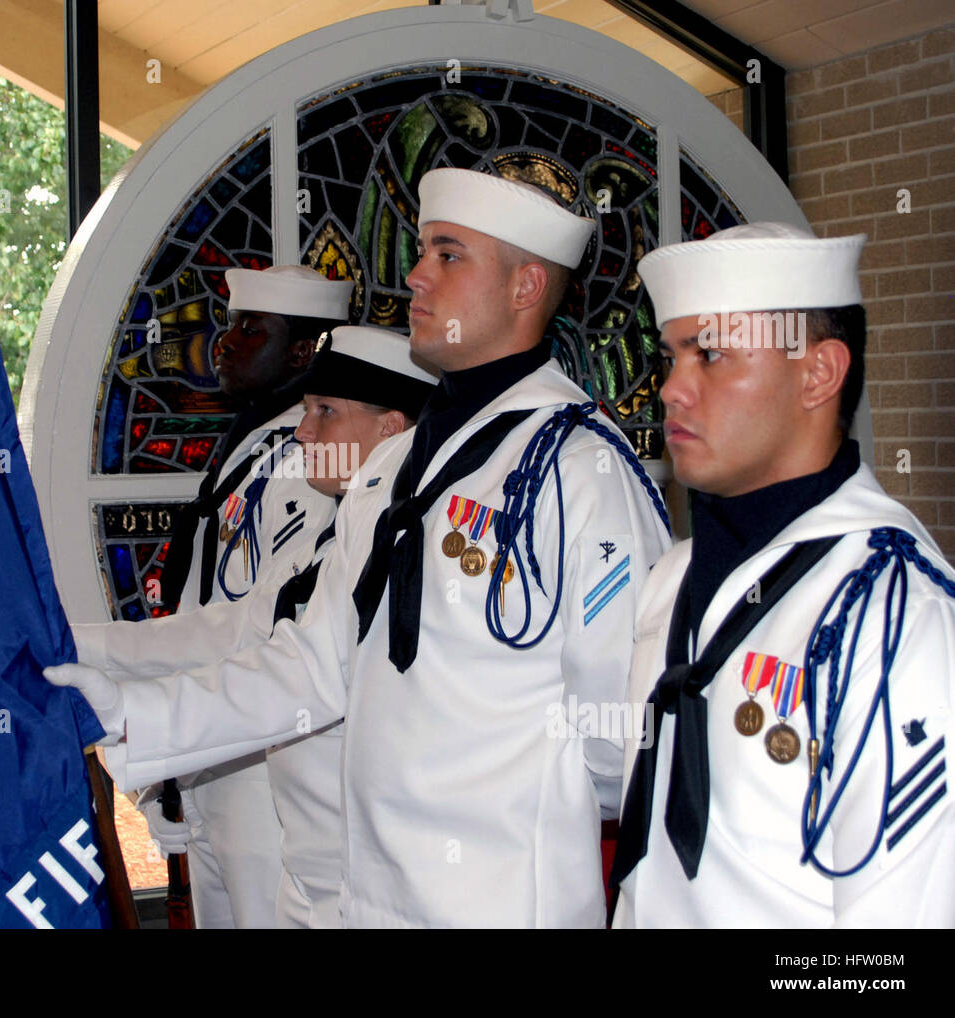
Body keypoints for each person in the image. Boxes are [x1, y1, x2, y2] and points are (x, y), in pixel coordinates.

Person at [51, 167, 673, 927]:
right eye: (421, 251)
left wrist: (496, 803)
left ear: (525, 287)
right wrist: (131, 713)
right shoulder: (394, 465)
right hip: (367, 898)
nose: (415, 275)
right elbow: (313, 664)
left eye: (449, 255)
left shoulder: (578, 468)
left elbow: (617, 745)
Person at [611, 222, 955, 927]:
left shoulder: (896, 618)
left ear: (818, 373)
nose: (671, 389)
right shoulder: (673, 578)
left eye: (711, 355)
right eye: (670, 356)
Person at [68, 326, 436, 927]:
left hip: (347, 862)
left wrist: (127, 711)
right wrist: (90, 649)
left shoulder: (398, 539)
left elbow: (278, 659)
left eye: (325, 411)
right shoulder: (347, 528)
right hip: (305, 850)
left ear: (390, 428)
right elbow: (237, 623)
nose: (303, 431)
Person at [126, 263, 351, 929]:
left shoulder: (310, 458)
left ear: (303, 353)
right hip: (212, 745)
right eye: (230, 325)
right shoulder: (254, 442)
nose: (226, 342)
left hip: (264, 759)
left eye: (253, 329)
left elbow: (260, 626)